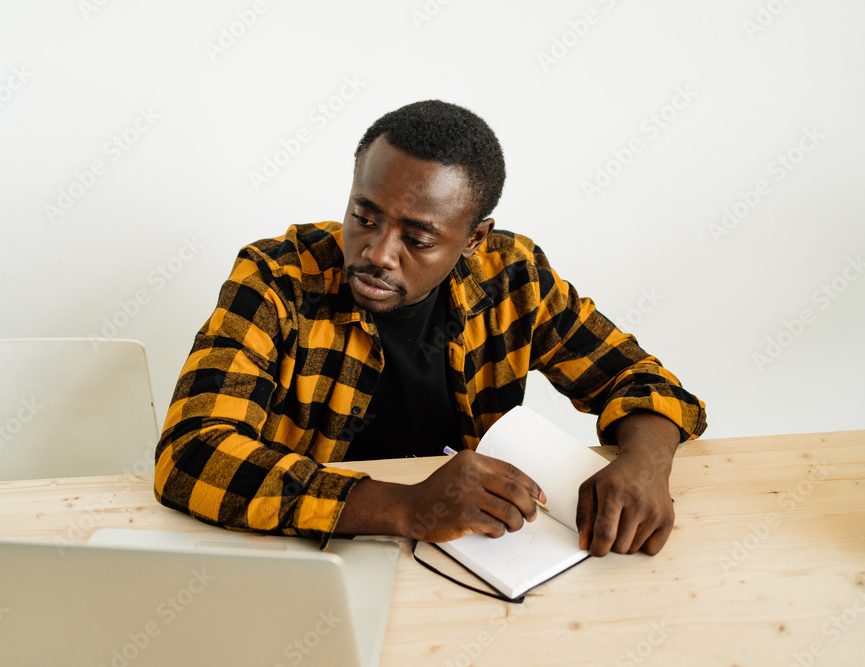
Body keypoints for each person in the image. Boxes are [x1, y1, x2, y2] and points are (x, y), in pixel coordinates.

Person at [154, 100, 706, 558]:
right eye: (363, 216)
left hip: (467, 554)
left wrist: (646, 465)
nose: (377, 253)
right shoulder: (276, 279)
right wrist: (409, 507)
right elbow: (190, 453)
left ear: (473, 240)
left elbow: (640, 379)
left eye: (417, 239)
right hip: (306, 551)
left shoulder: (513, 278)